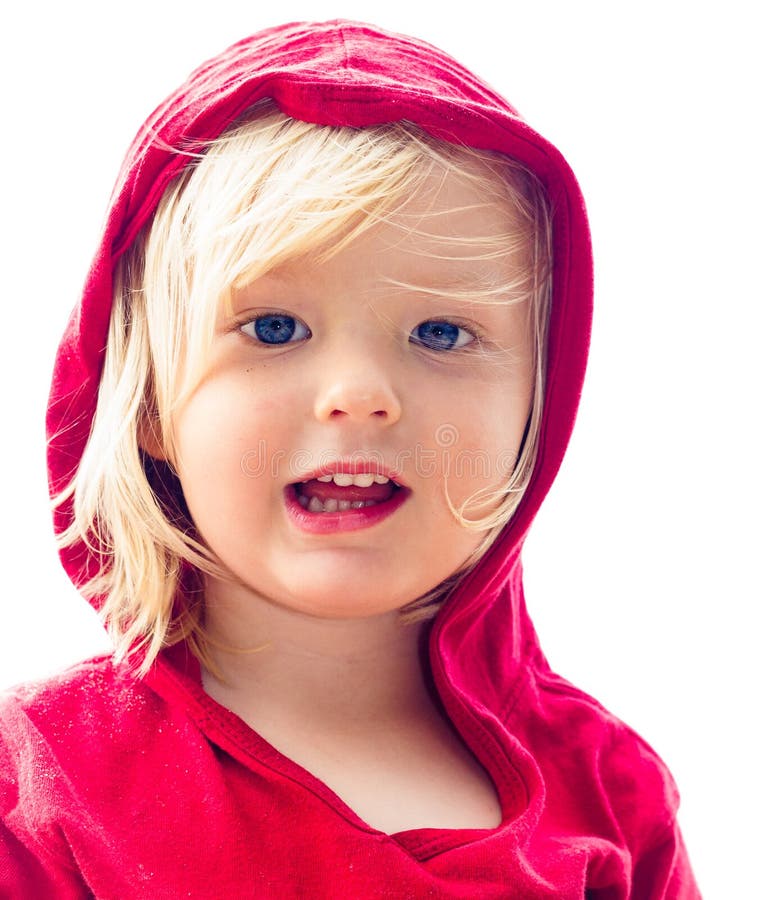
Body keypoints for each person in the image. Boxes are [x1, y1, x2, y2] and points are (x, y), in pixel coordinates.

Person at [0, 20, 699, 898]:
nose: (360, 394)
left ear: (539, 406)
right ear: (147, 407)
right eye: (274, 328)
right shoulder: (42, 787)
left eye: (441, 333)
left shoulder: (611, 796)